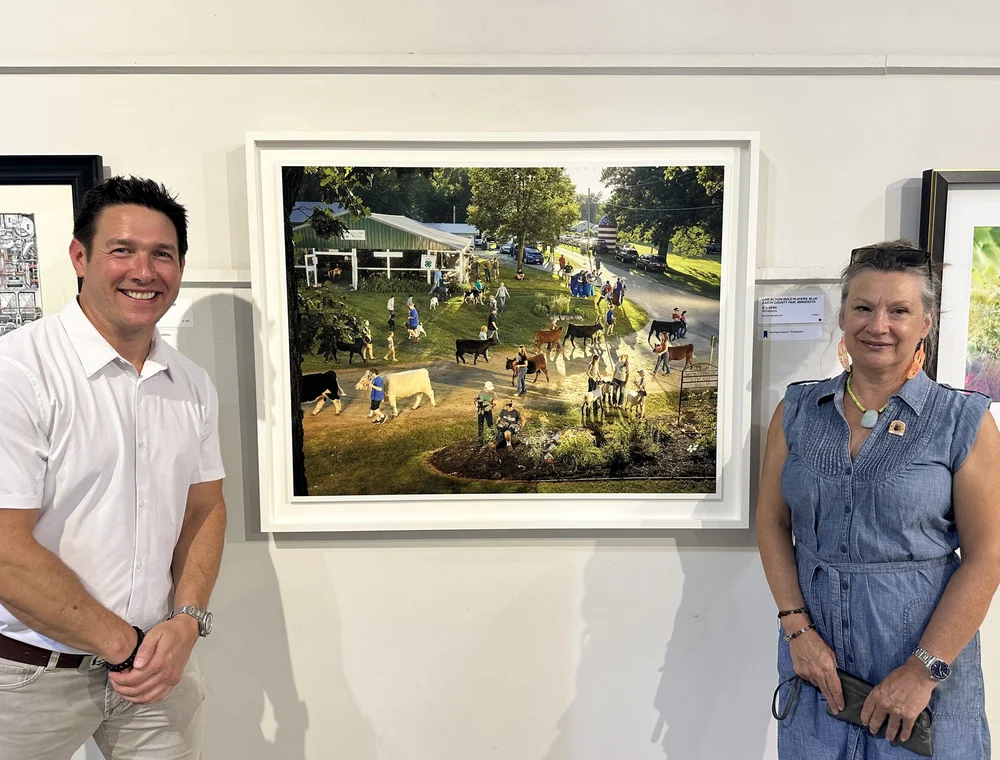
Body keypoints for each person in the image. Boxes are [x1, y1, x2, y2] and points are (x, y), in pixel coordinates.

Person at [0, 176, 226, 759]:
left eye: (162, 254)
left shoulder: (193, 383)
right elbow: (4, 548)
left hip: (157, 673)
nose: (143, 272)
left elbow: (204, 507)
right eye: (121, 250)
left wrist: (187, 621)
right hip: (24, 680)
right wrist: (126, 646)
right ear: (80, 256)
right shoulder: (18, 373)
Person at [759, 241, 1000, 759]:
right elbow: (772, 521)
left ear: (926, 323)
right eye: (863, 308)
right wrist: (797, 630)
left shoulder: (963, 421)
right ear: (843, 314)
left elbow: (988, 556)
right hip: (817, 668)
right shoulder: (798, 411)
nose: (879, 325)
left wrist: (922, 670)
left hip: (923, 679)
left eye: (899, 310)